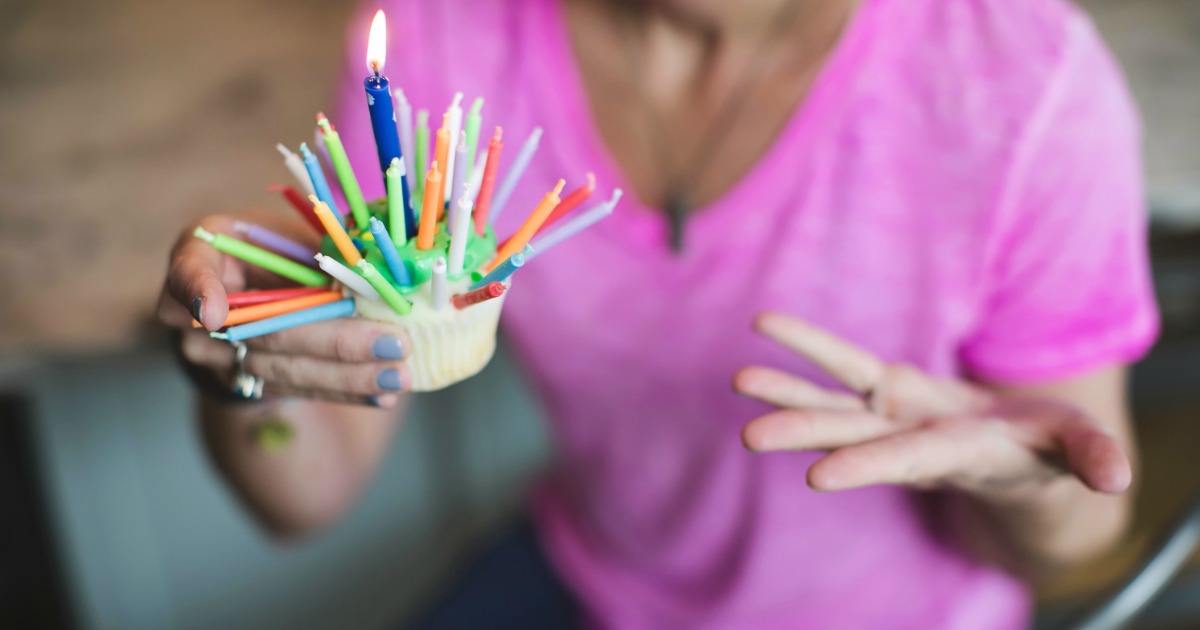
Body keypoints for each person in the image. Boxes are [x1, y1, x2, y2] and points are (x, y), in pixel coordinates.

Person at [157, 0, 1160, 627]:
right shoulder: (444, 34)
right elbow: (303, 492)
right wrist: (241, 353)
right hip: (599, 578)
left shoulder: (1023, 83)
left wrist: (1026, 488)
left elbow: (1078, 528)